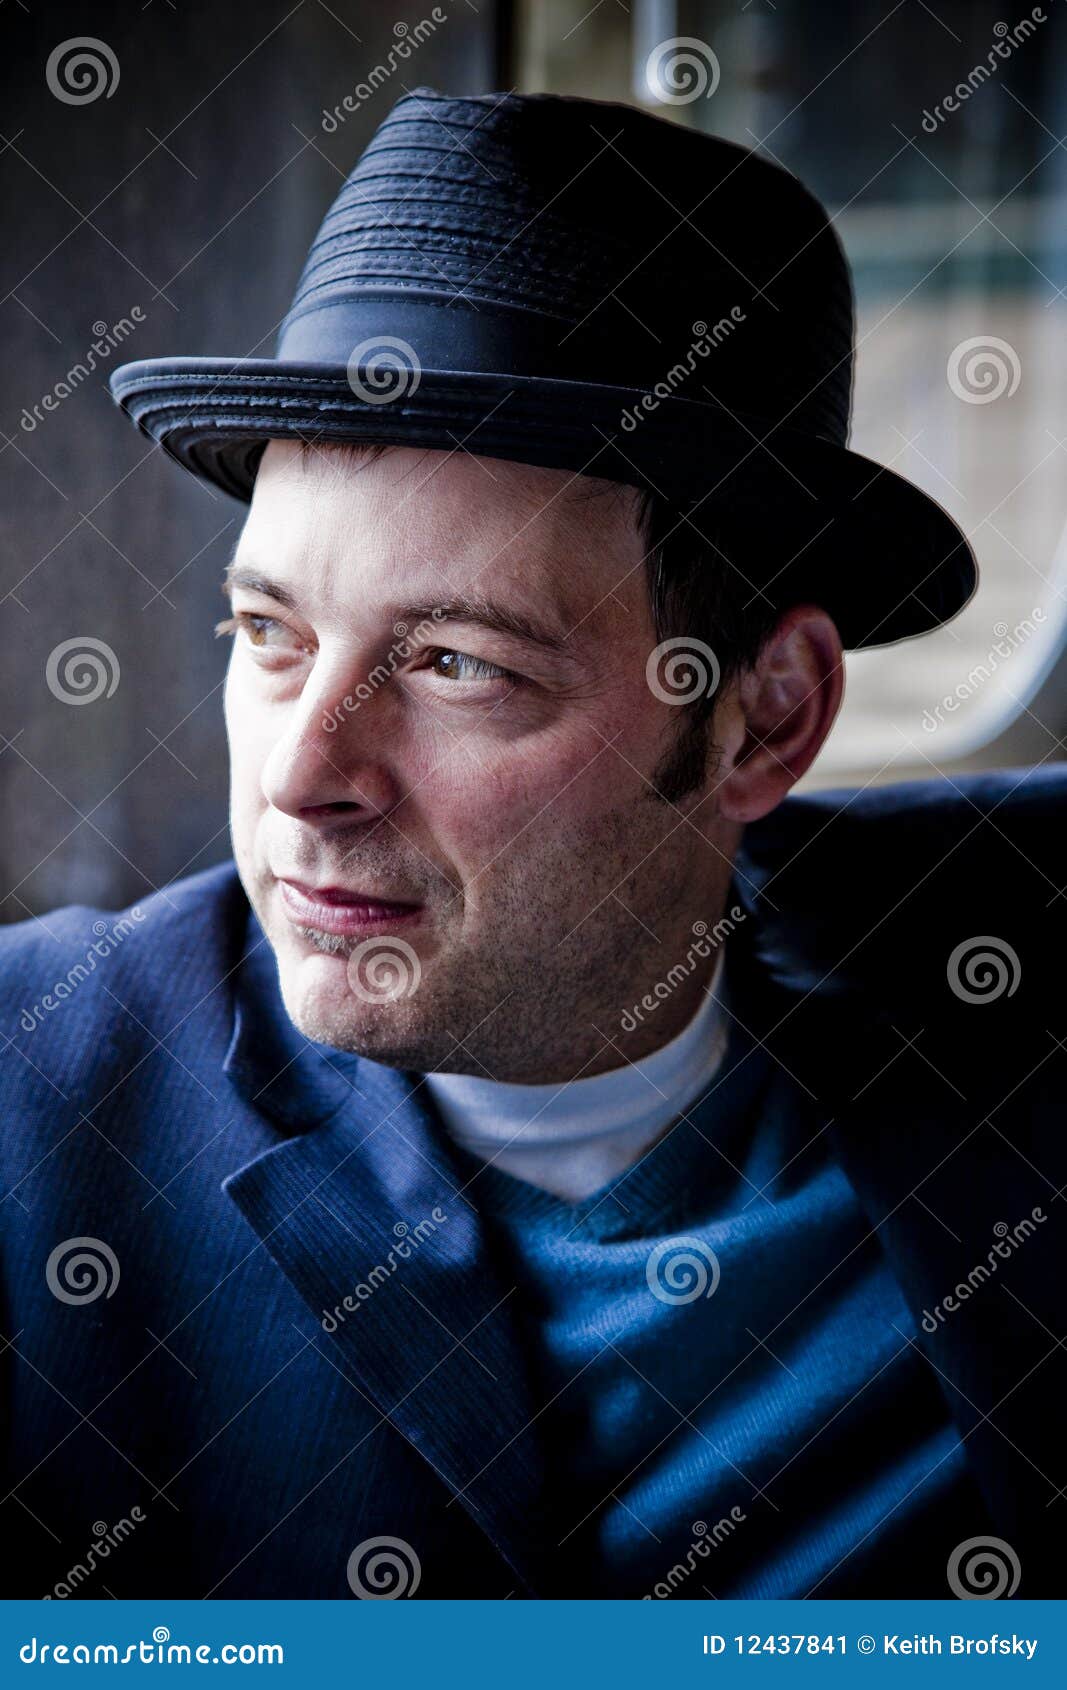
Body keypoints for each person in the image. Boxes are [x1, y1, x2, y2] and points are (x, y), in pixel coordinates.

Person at [2, 87, 1062, 1602]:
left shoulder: (1001, 982)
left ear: (766, 719)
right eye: (269, 632)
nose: (302, 777)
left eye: (457, 665)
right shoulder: (38, 1098)